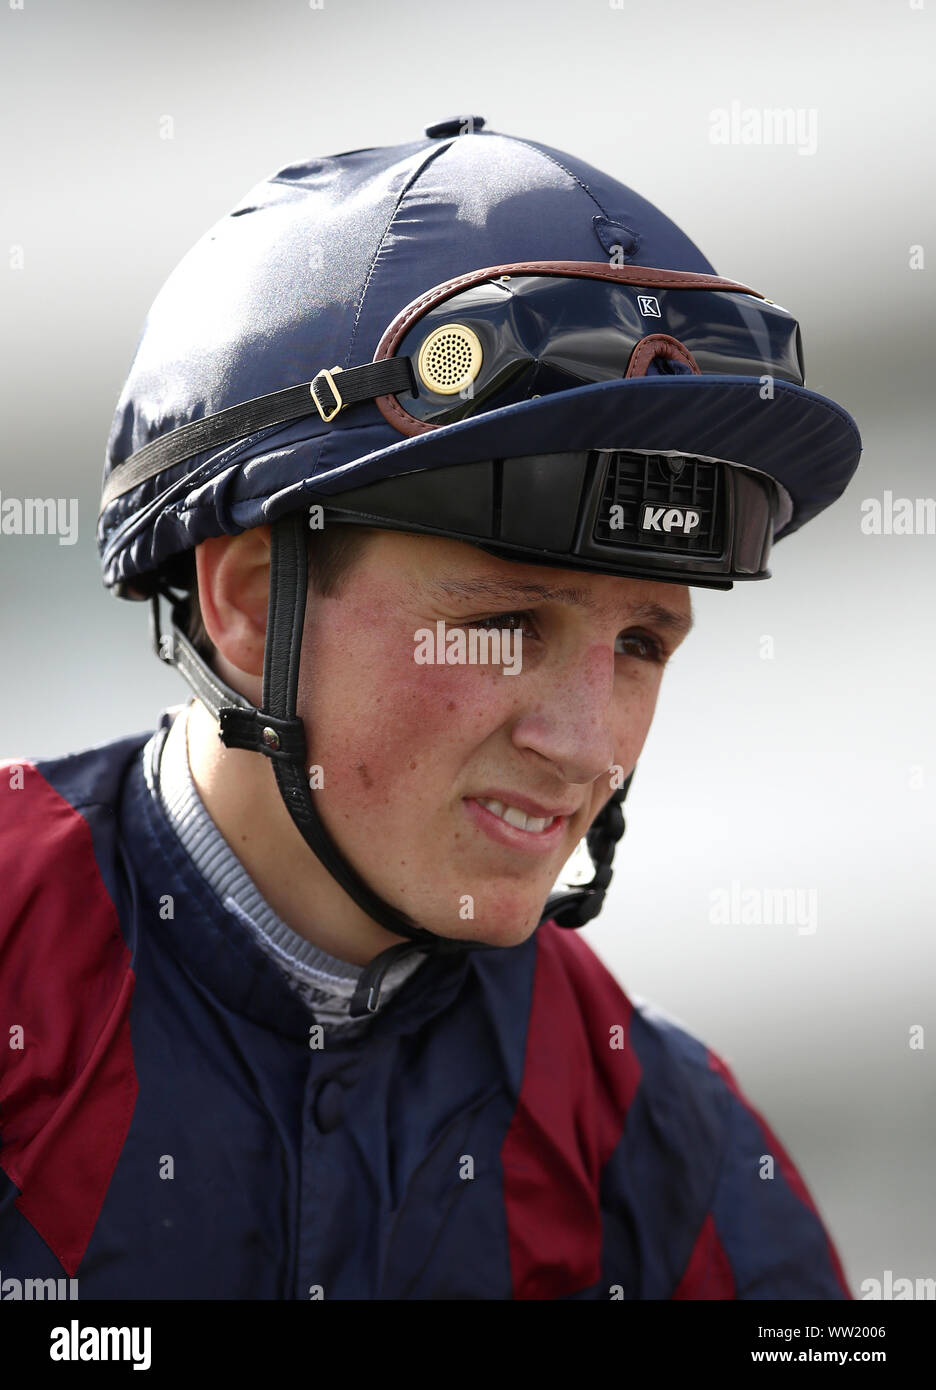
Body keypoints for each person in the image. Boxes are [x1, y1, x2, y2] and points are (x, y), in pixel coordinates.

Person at [0, 116, 861, 1299]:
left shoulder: (672, 1148)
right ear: (249, 600)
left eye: (643, 642)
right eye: (508, 627)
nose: (588, 745)